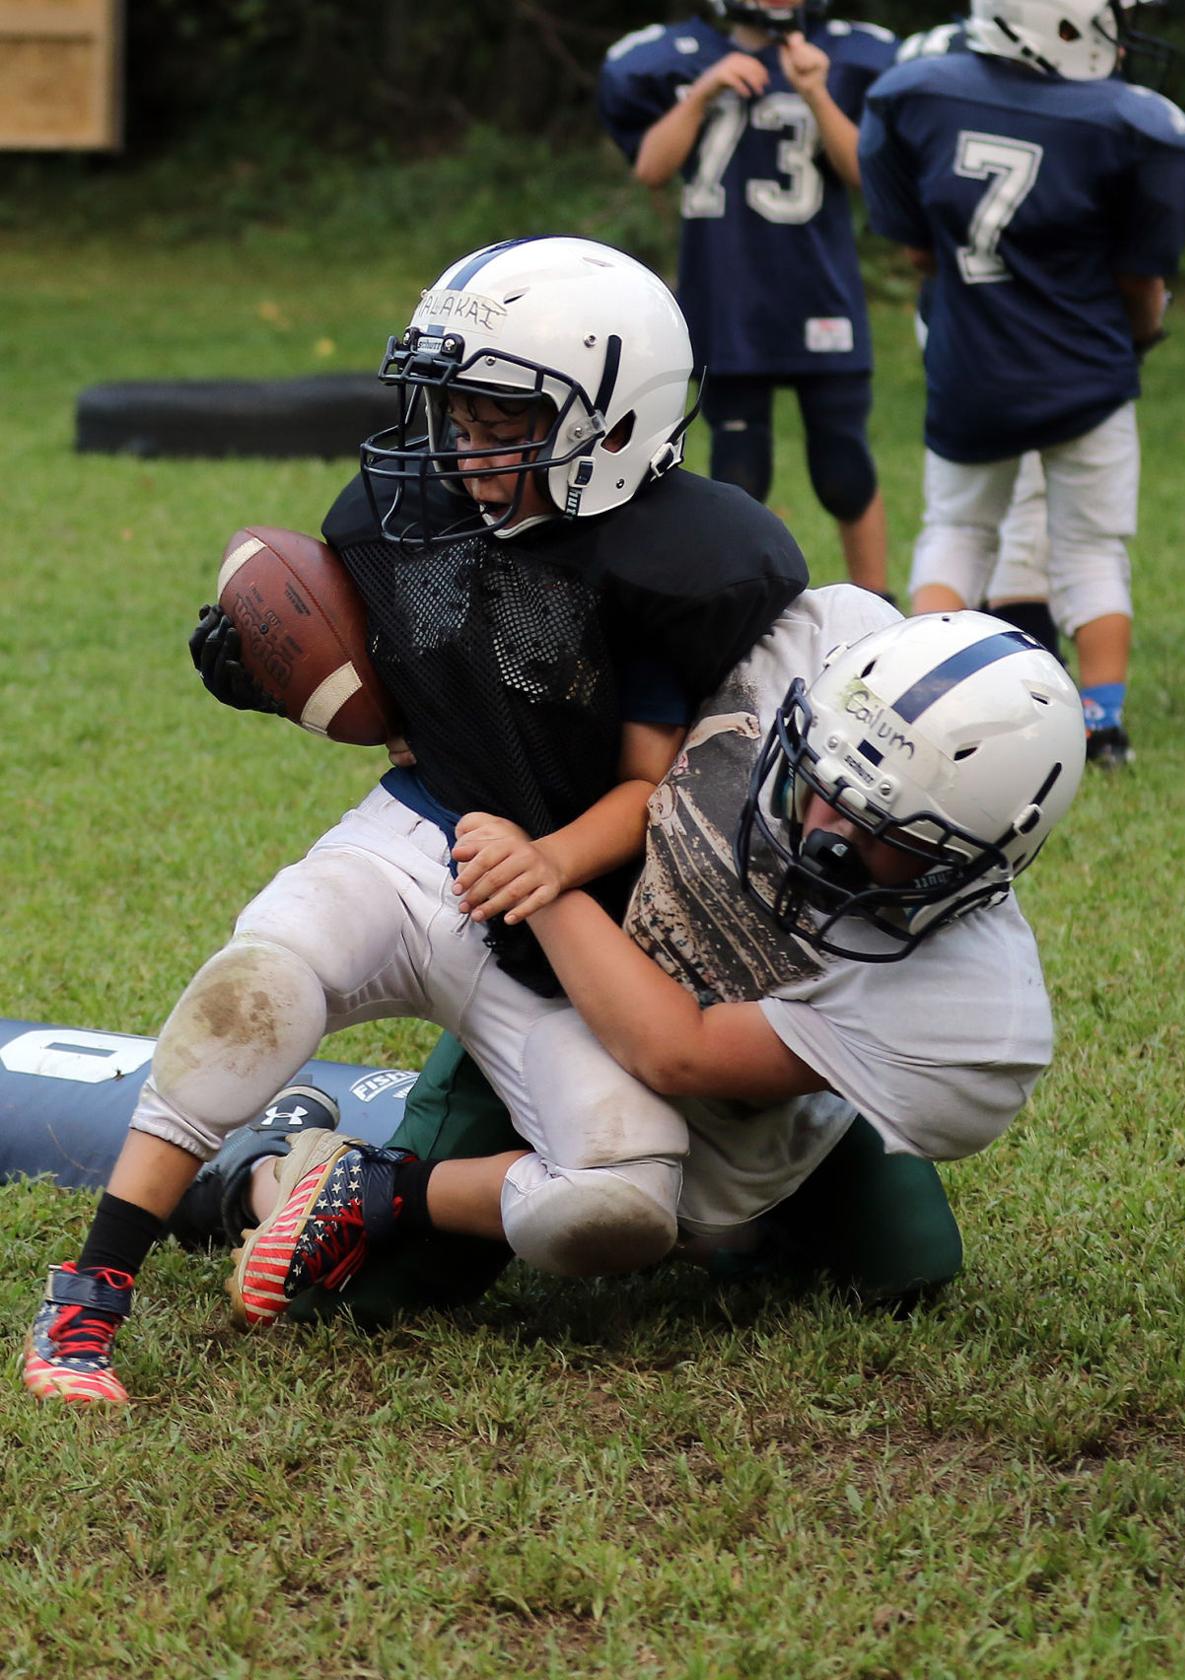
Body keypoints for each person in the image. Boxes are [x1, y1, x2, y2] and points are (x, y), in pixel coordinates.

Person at [22, 234, 812, 1406]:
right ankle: (88, 1294)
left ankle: (359, 1182)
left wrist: (544, 864)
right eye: (453, 411)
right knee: (258, 985)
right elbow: (398, 691)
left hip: (570, 916)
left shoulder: (681, 563)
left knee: (623, 1205)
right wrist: (269, 667)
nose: (461, 446)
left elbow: (651, 793)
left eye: (501, 420)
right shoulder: (409, 515)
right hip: (419, 835)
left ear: (614, 423)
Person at [179, 592, 1084, 1335]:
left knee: (909, 1274)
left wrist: (539, 874)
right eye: (822, 786)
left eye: (882, 836)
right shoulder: (793, 641)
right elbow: (539, 626)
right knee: (350, 1304)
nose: (825, 835)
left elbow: (679, 1052)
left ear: (974, 870)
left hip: (724, 1073)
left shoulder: (974, 1012)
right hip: (561, 1007)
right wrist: (356, 674)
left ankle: (727, 1229)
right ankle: (270, 1169)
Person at [858, 0, 1185, 765]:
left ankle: (920, 702)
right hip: (1083, 369)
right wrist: (1142, 335)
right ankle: (1102, 724)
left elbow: (917, 254)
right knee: (1091, 552)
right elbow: (1141, 280)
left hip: (970, 361)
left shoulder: (916, 93)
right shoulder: (1134, 124)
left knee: (956, 532)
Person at [599, 2, 897, 594]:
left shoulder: (845, 56)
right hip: (726, 293)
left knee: (845, 471)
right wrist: (701, 92)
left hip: (820, 290)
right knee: (739, 473)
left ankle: (880, 608)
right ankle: (737, 604)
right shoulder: (680, 60)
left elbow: (869, 175)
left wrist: (816, 93)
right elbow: (651, 169)